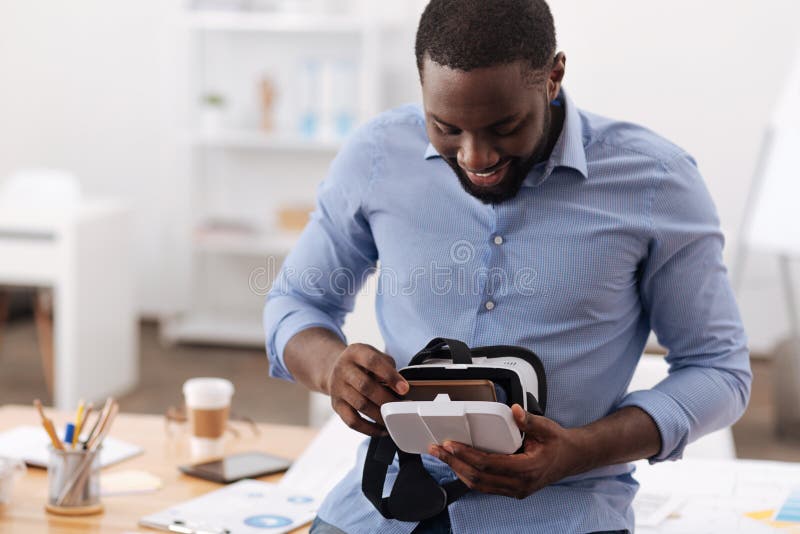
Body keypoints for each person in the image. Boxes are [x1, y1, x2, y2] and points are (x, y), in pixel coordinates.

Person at [263, 0, 752, 532]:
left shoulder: (658, 183)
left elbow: (718, 369)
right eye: (445, 128)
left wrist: (580, 450)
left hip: (562, 512)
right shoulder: (377, 154)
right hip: (378, 511)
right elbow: (296, 302)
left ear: (553, 77)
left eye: (504, 127)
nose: (475, 158)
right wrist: (332, 366)